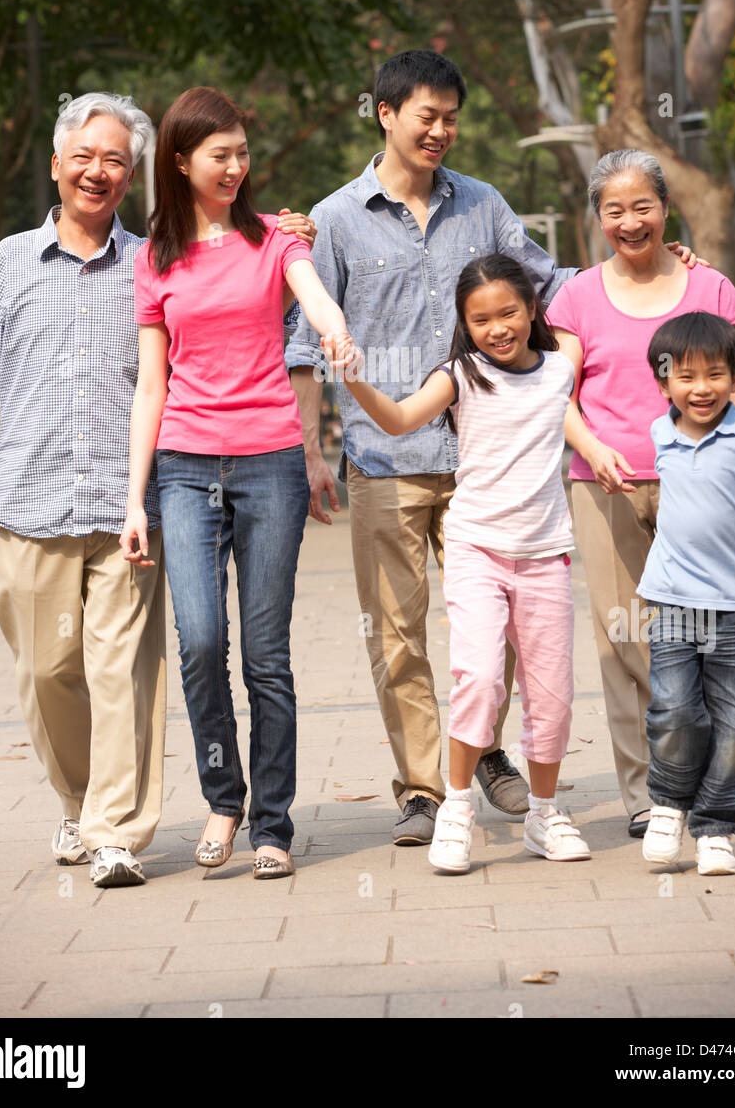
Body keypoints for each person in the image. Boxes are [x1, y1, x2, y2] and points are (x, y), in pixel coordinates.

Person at [285, 50, 581, 844]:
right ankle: (423, 788)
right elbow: (305, 345)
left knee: (511, 624)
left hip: (489, 462)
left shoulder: (483, 205)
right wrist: (315, 452)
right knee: (396, 631)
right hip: (383, 462)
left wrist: (648, 273)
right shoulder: (337, 218)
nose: (442, 130)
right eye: (428, 115)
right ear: (385, 113)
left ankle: (480, 748)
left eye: (452, 116)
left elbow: (549, 285)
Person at [0, 93, 165, 888]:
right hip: (29, 504)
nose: (98, 172)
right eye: (86, 157)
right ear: (59, 163)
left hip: (128, 508)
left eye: (115, 161)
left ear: (130, 177)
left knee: (119, 675)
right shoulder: (7, 262)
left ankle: (112, 831)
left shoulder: (151, 264)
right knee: (45, 671)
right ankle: (78, 799)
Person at [120, 86, 348, 880]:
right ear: (181, 162)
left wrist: (335, 328)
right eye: (220, 155)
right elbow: (152, 385)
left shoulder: (276, 237)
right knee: (200, 643)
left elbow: (312, 295)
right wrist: (134, 500)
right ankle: (224, 796)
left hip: (271, 463)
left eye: (243, 153)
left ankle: (273, 822)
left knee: (265, 654)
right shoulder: (156, 255)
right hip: (183, 467)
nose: (236, 166)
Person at [327, 254, 591, 872]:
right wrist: (355, 379)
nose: (497, 328)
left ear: (532, 309)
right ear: (464, 324)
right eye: (480, 319)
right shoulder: (461, 375)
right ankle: (456, 809)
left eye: (509, 313)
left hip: (546, 554)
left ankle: (544, 816)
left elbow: (603, 295)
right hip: (476, 549)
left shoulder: (560, 370)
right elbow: (396, 421)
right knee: (478, 679)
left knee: (552, 695)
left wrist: (678, 259)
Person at [546, 150, 735, 838]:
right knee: (627, 641)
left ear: (664, 209)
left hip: (703, 489)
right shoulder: (577, 295)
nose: (629, 221)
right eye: (613, 210)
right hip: (605, 487)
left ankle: (703, 781)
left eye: (641, 205)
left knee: (707, 637)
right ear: (597, 218)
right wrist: (591, 449)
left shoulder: (710, 288)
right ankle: (649, 795)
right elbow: (554, 392)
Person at [636, 312, 735, 875]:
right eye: (685, 376)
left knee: (732, 723)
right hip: (672, 600)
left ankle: (714, 826)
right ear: (663, 384)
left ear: (734, 378)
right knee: (675, 710)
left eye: (715, 374)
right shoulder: (658, 433)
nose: (700, 388)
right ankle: (666, 804)